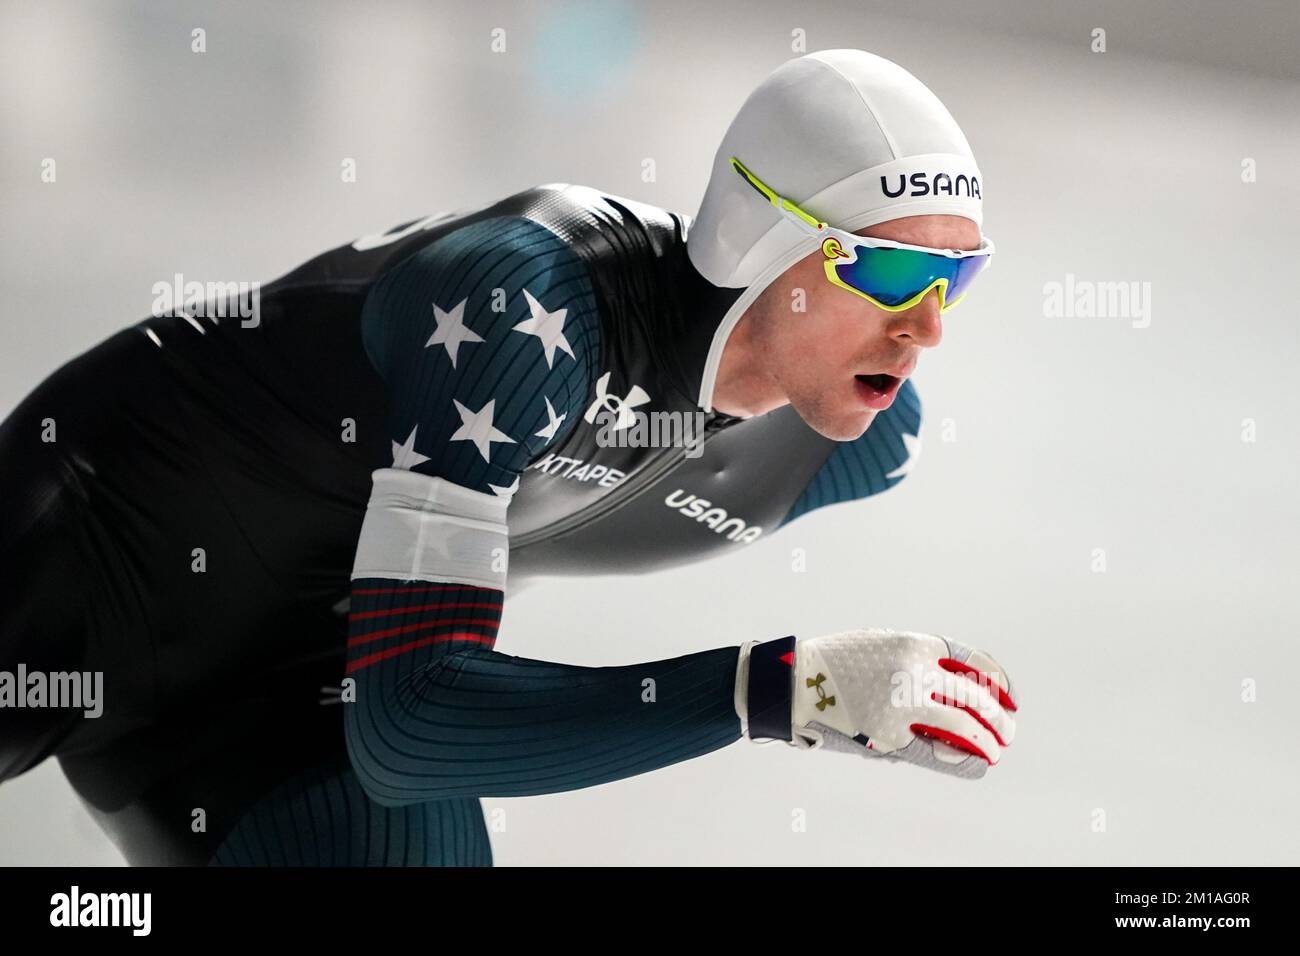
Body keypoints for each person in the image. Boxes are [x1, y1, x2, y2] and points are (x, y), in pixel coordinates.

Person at [0, 48, 1017, 866]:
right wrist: (766, 688)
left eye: (957, 277)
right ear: (762, 233)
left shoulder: (861, 439)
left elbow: (392, 731)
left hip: (294, 691)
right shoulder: (529, 308)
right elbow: (413, 722)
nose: (926, 328)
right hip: (83, 554)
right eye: (891, 269)